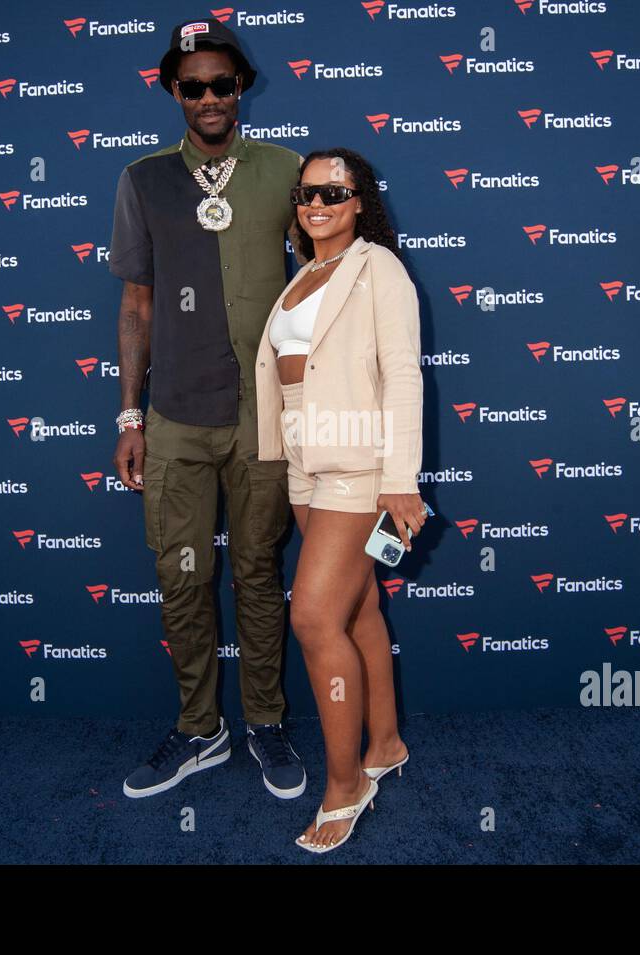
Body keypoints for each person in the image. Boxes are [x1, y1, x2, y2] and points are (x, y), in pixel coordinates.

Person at [107, 18, 309, 800]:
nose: (210, 97)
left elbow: (325, 278)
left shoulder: (285, 169)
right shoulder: (144, 180)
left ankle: (264, 720)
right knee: (183, 575)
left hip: (264, 417)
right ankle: (201, 728)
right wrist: (131, 416)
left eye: (222, 82)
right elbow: (136, 305)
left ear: (241, 86)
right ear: (173, 91)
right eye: (193, 85)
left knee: (257, 573)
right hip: (178, 421)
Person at [254, 148, 426, 851]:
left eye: (333, 190)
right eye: (306, 191)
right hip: (306, 462)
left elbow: (404, 374)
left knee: (314, 616)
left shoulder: (376, 266)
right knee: (358, 609)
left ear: (360, 201)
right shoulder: (305, 275)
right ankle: (384, 743)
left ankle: (346, 784)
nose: (316, 202)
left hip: (359, 464)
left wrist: (402, 478)